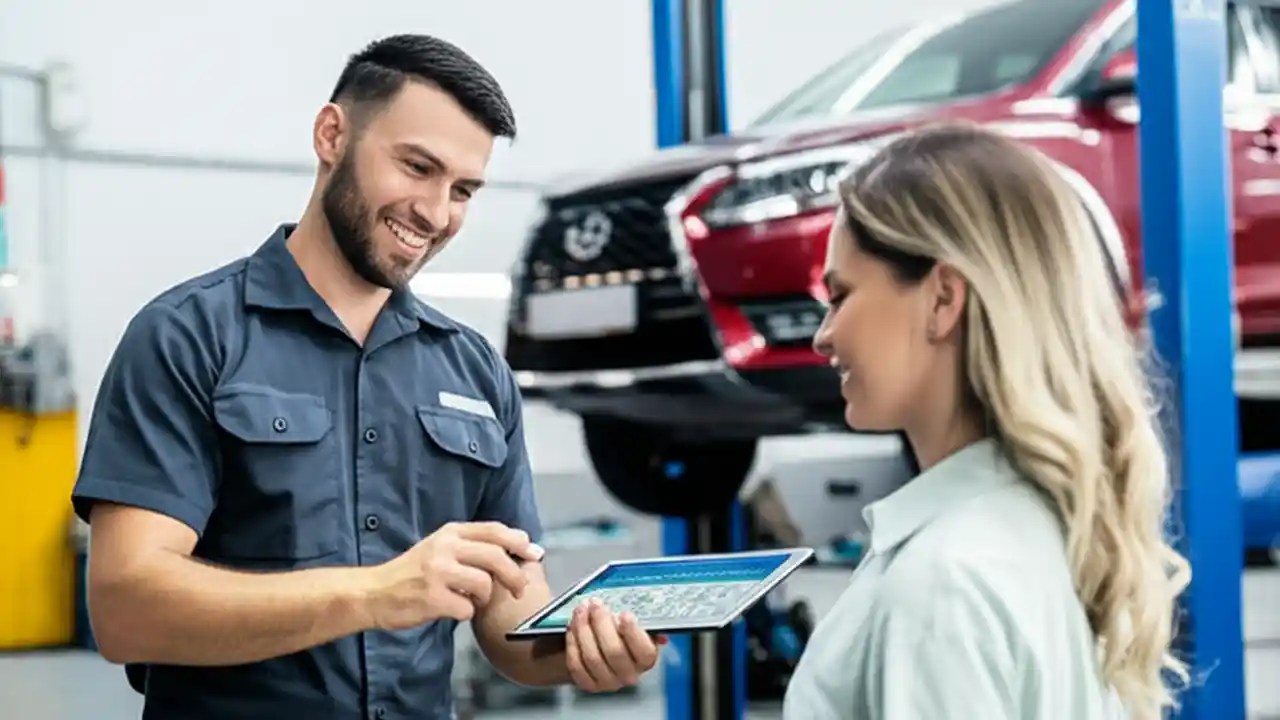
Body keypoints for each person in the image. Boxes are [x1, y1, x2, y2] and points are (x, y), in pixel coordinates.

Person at [71, 34, 660, 719]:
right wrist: (378, 593)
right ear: (331, 135)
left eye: (463, 190)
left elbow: (511, 621)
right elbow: (125, 608)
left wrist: (580, 648)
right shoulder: (188, 337)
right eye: (417, 167)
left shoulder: (475, 373)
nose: (437, 214)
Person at [783, 122, 1191, 720]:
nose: (824, 336)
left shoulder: (942, 580)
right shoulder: (1049, 536)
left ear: (944, 297)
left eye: (840, 296)